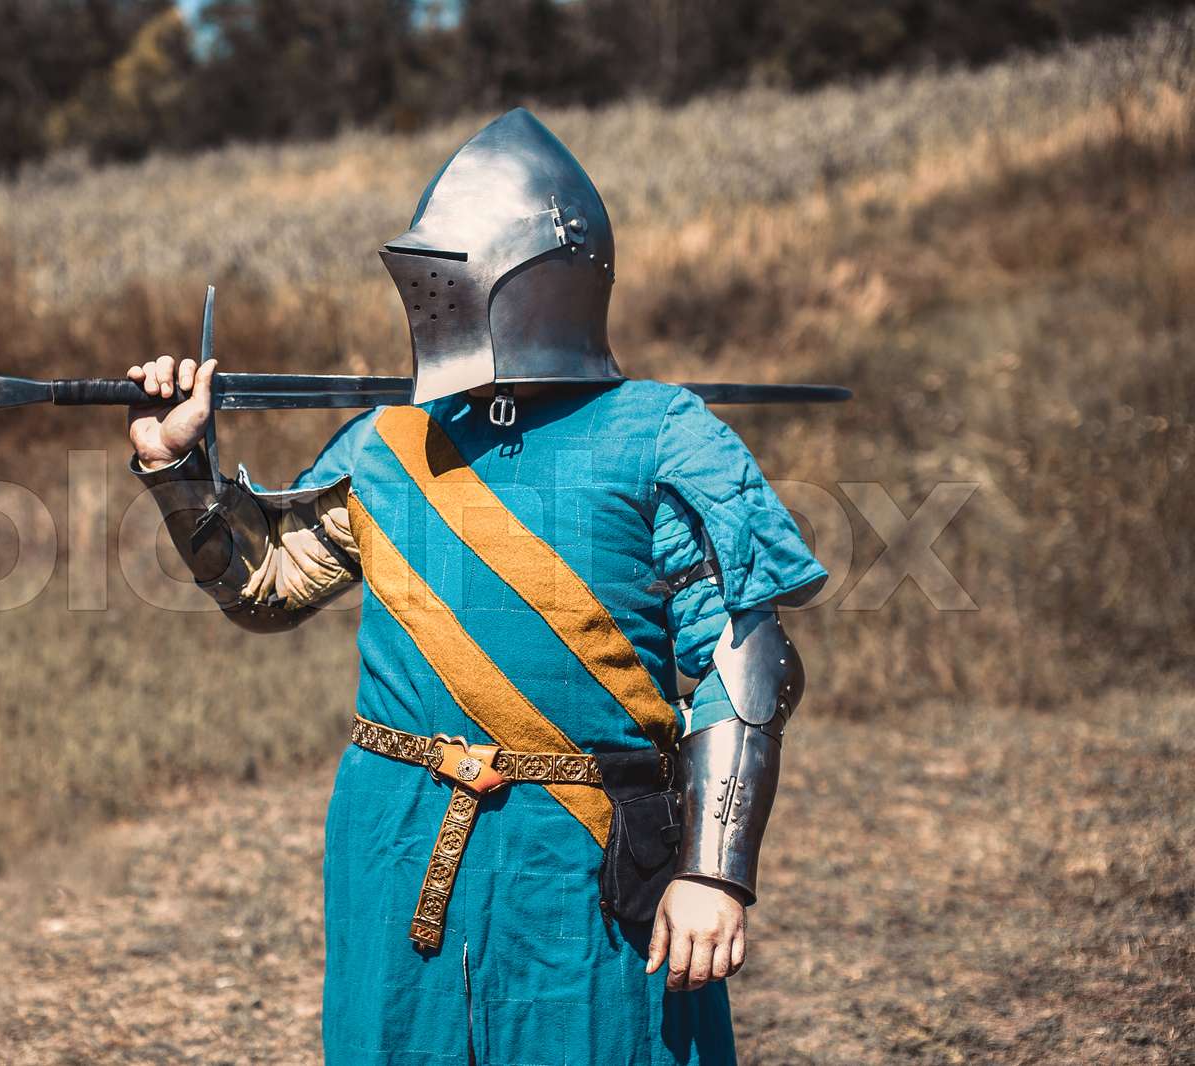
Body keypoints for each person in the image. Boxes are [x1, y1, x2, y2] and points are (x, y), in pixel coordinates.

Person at [126, 109, 826, 1066]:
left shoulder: (663, 433)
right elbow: (267, 586)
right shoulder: (390, 442)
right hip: (400, 842)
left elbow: (741, 660)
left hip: (583, 854)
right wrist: (179, 470)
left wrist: (716, 870)